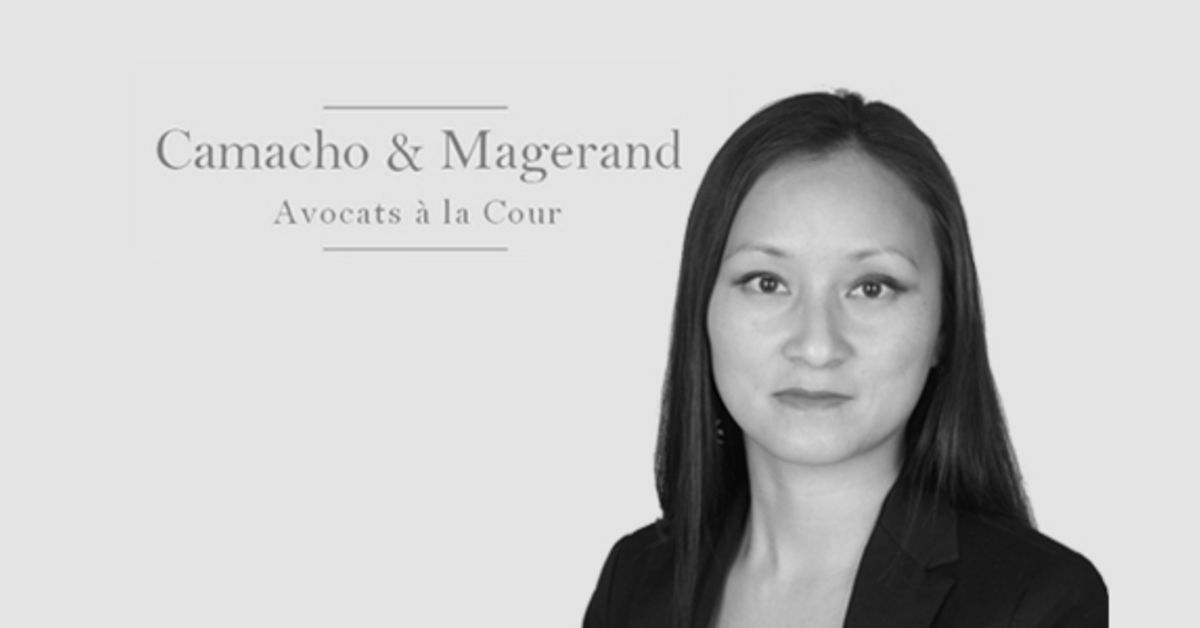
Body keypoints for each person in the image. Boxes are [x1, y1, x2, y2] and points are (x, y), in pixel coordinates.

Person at [583, 91, 1107, 628]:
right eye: (766, 282)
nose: (816, 346)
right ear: (703, 306)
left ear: (945, 327)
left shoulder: (1035, 601)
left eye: (872, 287)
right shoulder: (635, 581)